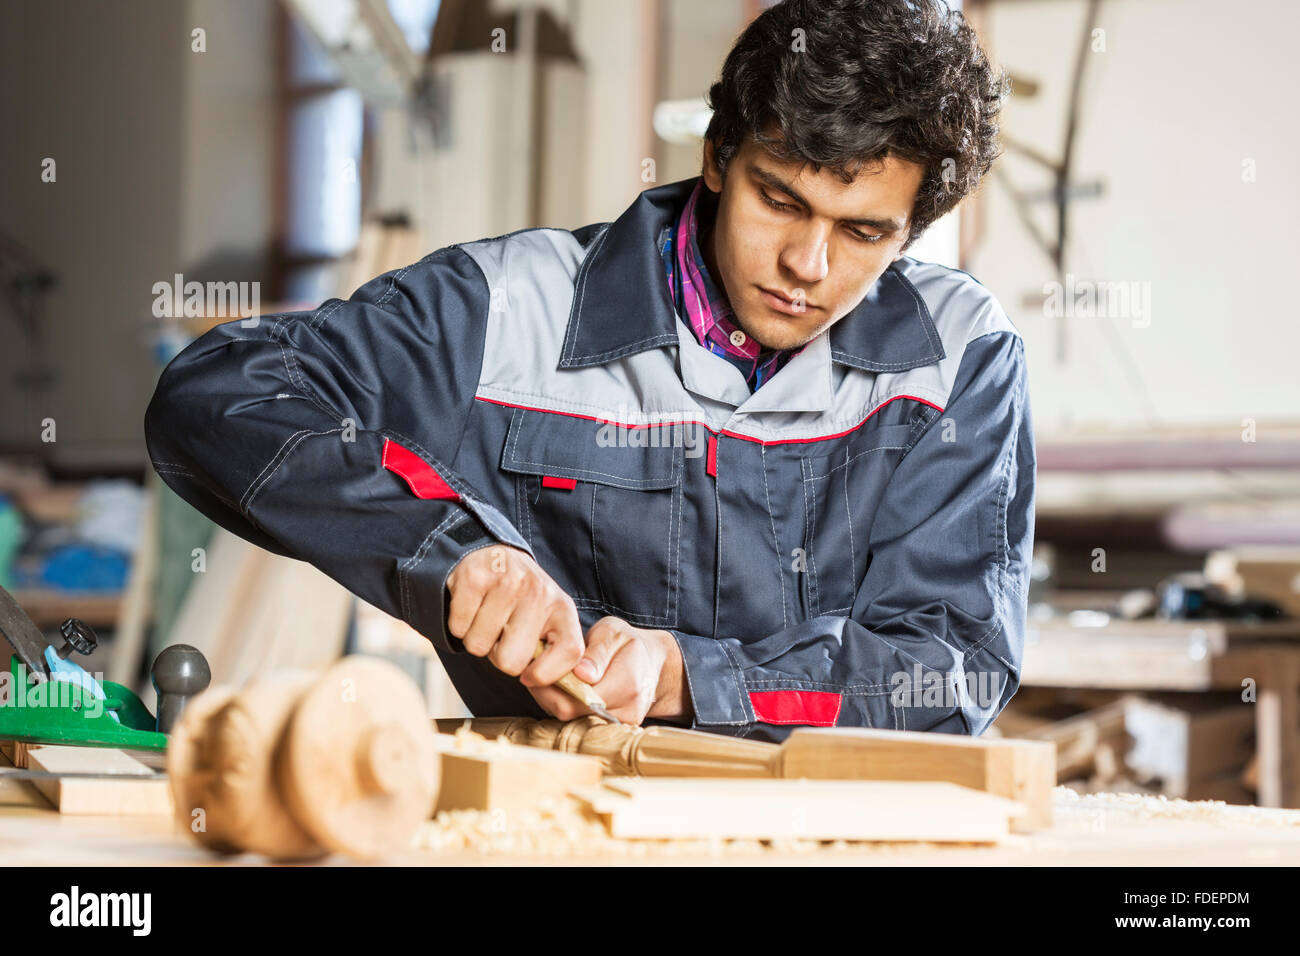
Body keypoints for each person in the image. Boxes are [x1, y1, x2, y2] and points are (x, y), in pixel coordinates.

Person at [145, 0, 1032, 742]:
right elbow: (216, 393)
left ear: (911, 231)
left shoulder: (959, 356)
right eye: (780, 198)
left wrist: (690, 678)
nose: (807, 262)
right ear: (718, 156)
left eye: (863, 232)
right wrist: (454, 556)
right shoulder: (508, 310)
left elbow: (949, 669)